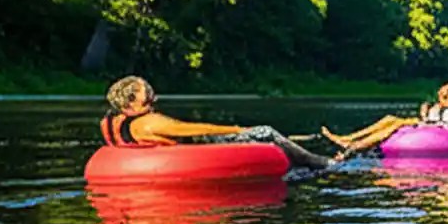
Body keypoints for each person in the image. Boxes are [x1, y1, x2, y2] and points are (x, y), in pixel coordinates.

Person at [100, 76, 337, 170]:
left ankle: (297, 149)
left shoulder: (113, 121)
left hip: (156, 156)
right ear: (132, 101)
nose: (153, 95)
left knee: (270, 137)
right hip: (205, 147)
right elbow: (196, 129)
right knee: (266, 131)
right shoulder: (149, 122)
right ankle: (319, 162)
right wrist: (236, 129)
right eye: (147, 92)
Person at [321, 82, 448, 158]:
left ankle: (352, 146)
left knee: (395, 124)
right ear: (441, 96)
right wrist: (424, 114)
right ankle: (347, 139)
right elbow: (426, 119)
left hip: (445, 131)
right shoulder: (434, 108)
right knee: (390, 119)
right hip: (428, 127)